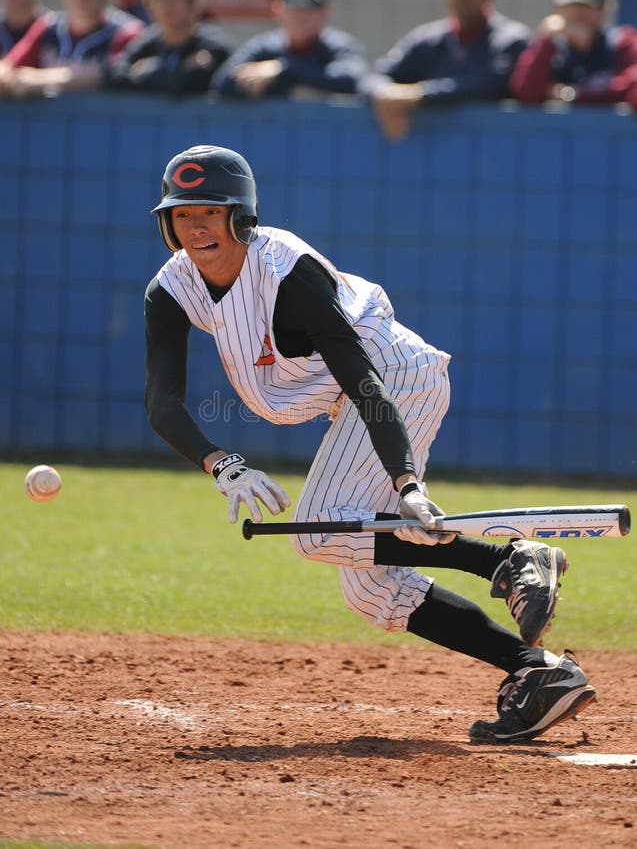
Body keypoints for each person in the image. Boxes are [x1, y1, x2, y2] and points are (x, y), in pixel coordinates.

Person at [144, 143, 597, 743]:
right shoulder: (172, 288)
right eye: (181, 214)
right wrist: (223, 465)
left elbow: (364, 381)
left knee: (322, 530)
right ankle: (540, 674)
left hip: (391, 379)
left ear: (241, 216)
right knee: (371, 586)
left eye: (209, 211)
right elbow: (162, 404)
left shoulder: (287, 273)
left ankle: (505, 559)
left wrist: (408, 486)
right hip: (346, 397)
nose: (195, 226)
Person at [361, 0, 530, 140]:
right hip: (431, 155)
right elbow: (372, 76)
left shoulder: (511, 39)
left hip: (495, 151)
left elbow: (488, 84)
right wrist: (385, 97)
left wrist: (420, 94)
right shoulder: (426, 39)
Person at [0, 0, 142, 99]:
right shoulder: (48, 26)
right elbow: (9, 66)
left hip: (107, 120)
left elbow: (112, 75)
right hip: (54, 121)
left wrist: (38, 79)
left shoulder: (126, 32)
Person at [212, 0, 367, 100]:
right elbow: (223, 83)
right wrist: (293, 89)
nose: (302, 12)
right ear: (277, 10)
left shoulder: (340, 46)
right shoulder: (264, 47)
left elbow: (353, 80)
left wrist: (282, 69)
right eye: (293, 2)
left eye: (312, 4)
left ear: (325, 12)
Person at [510, 0, 637, 105]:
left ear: (604, 9)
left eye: (586, 5)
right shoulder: (551, 45)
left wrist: (573, 94)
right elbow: (526, 92)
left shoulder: (623, 42)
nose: (577, 13)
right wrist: (545, 42)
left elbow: (633, 86)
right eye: (570, 5)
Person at [107, 0, 233, 96]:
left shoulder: (213, 46)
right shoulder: (148, 41)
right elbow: (116, 76)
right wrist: (174, 69)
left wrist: (145, 73)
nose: (168, 5)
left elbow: (193, 82)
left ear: (194, 2)